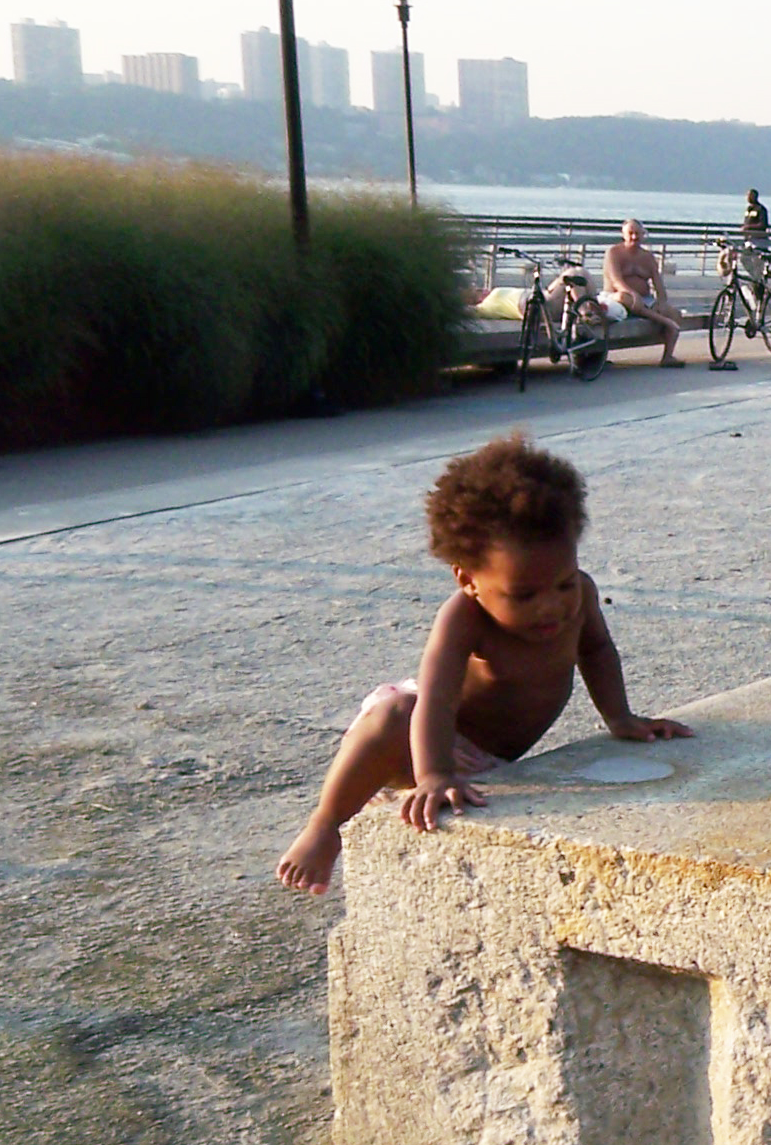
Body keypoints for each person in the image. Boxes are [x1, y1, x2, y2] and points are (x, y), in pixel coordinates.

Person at [275, 434, 692, 893]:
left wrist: (620, 717)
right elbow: (435, 702)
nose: (551, 606)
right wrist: (433, 773)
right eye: (524, 595)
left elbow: (596, 652)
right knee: (393, 716)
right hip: (436, 737)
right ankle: (326, 824)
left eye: (563, 582)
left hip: (493, 760)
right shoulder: (463, 618)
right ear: (468, 579)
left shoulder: (584, 595)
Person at [603, 219, 691, 364]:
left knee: (674, 313)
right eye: (630, 233)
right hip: (617, 299)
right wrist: (633, 294)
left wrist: (662, 302)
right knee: (625, 297)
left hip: (645, 300)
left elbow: (658, 285)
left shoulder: (648, 257)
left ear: (643, 235)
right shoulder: (614, 253)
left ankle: (667, 356)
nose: (634, 237)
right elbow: (616, 281)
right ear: (623, 234)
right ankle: (664, 321)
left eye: (637, 233)